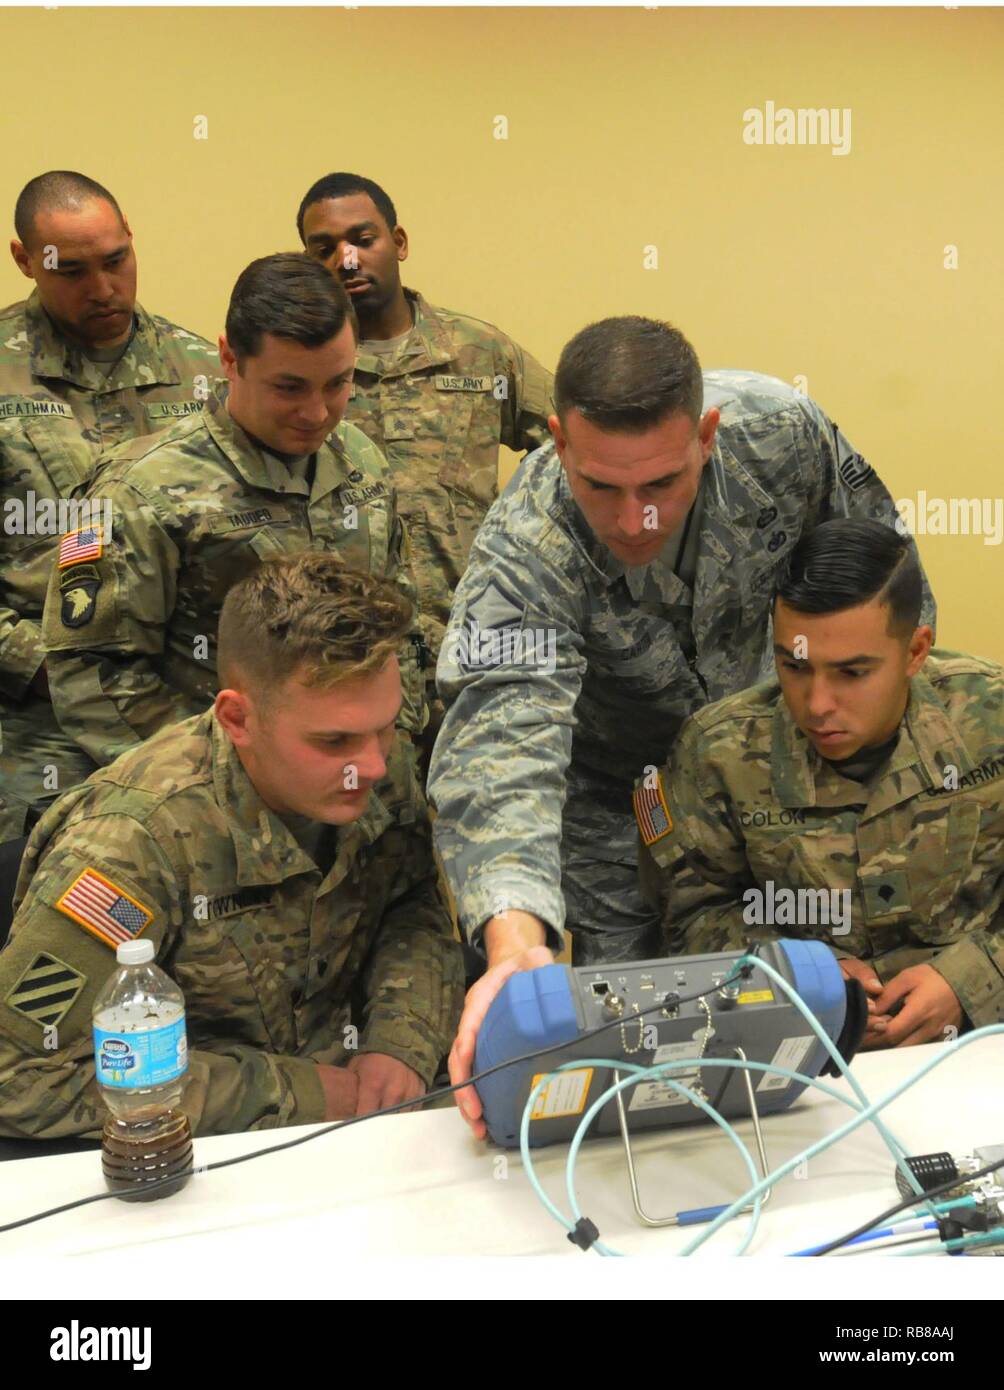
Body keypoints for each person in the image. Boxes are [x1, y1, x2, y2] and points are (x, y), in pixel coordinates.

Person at [430, 316, 935, 1138]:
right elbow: (499, 742)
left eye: (662, 484)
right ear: (557, 441)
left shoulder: (782, 435)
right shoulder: (526, 544)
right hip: (611, 797)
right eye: (603, 487)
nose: (635, 522)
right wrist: (516, 933)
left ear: (708, 435)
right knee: (637, 1057)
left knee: (836, 1008)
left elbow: (888, 580)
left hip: (780, 767)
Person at [0, 553, 464, 1139]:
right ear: (238, 719)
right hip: (193, 1155)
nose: (371, 765)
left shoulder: (376, 767)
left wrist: (400, 1046)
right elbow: (19, 1077)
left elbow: (410, 906)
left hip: (360, 1130)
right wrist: (300, 1093)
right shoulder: (130, 845)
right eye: (334, 741)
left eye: (386, 727)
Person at [42, 252, 424, 768]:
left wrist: (394, 745)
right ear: (229, 359)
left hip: (367, 775)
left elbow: (398, 624)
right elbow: (93, 680)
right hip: (214, 792)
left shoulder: (359, 457)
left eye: (338, 383)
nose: (317, 413)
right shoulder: (137, 493)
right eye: (289, 387)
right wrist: (228, 771)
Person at [639, 519, 1003, 1046]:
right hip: (801, 1056)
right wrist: (800, 972)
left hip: (978, 1047)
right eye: (795, 666)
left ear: (916, 652)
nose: (817, 704)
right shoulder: (718, 754)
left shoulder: (988, 721)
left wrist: (971, 979)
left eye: (852, 673)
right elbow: (692, 917)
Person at [0, 171, 219, 835]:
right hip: (36, 730)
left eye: (116, 262)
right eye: (71, 271)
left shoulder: (202, 373)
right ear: (23, 260)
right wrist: (41, 663)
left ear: (131, 241)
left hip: (180, 716)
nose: (102, 289)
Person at [297, 171, 554, 696]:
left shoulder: (478, 351)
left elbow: (572, 444)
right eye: (324, 249)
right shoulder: (303, 373)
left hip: (473, 637)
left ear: (398, 242)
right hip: (349, 656)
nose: (346, 260)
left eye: (363, 241)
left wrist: (530, 544)